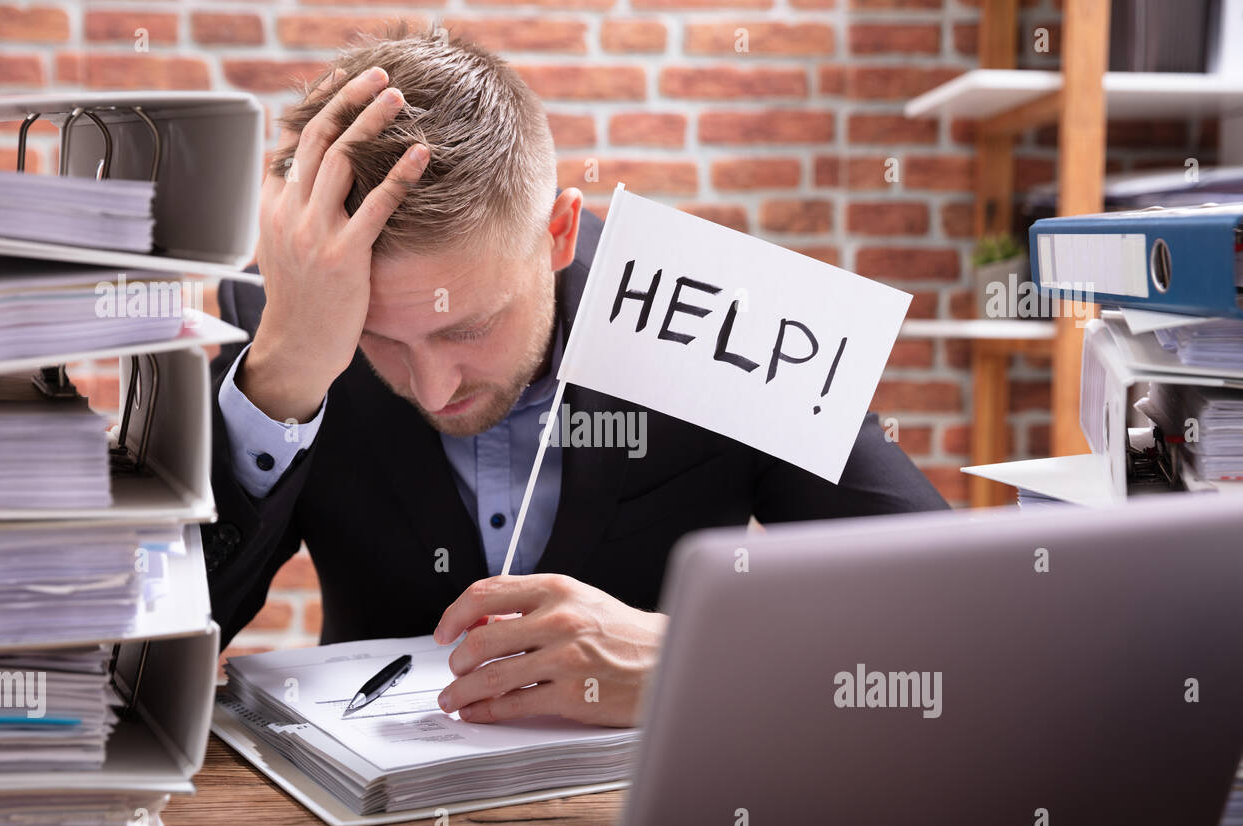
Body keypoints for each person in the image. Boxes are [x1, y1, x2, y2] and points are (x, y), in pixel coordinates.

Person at [205, 21, 948, 730]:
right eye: (378, 338)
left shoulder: (715, 312)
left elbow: (953, 605)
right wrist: (286, 374)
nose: (432, 390)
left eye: (468, 328)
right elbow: (134, 653)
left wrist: (699, 658)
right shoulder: (292, 322)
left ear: (556, 233)